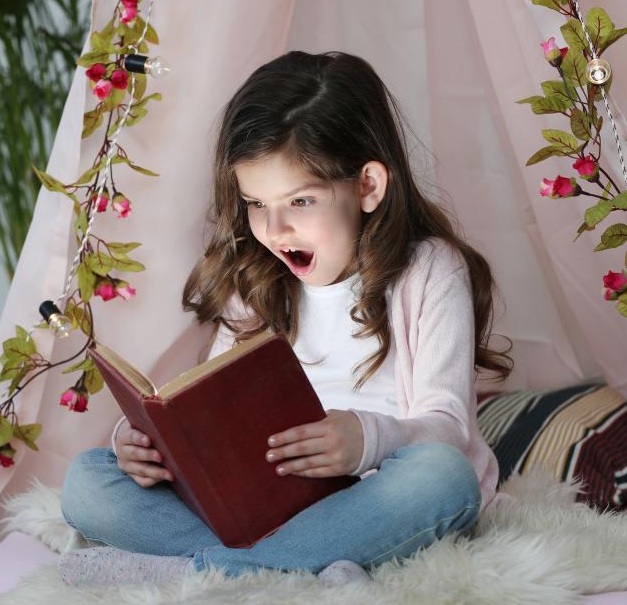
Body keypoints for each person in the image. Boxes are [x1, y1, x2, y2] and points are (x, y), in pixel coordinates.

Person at [56, 50, 514, 588]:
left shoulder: (429, 270)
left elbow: (449, 428)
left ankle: (200, 570)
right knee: (87, 479)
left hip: (379, 497)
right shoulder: (256, 283)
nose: (274, 230)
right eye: (255, 203)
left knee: (444, 477)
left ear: (367, 186)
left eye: (300, 202)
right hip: (266, 508)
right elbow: (211, 409)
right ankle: (299, 566)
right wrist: (143, 447)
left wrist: (365, 440)